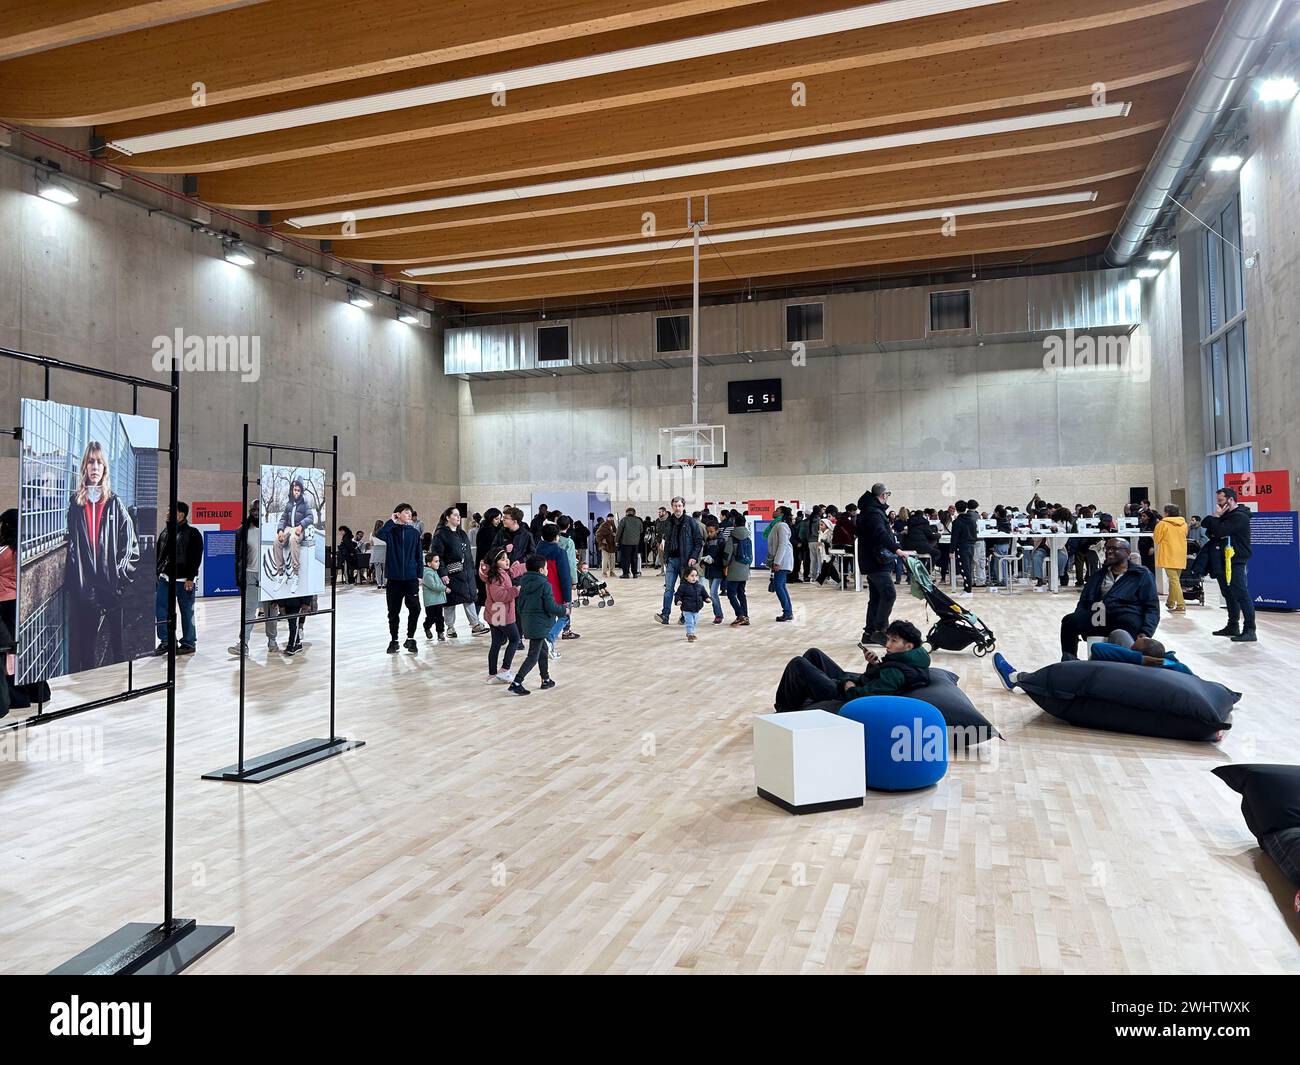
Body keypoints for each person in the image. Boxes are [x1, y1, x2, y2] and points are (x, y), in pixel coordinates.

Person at [64, 439, 141, 672]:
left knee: (118, 646)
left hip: (112, 586)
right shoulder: (75, 504)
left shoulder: (115, 503)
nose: (95, 467)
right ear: (84, 467)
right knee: (87, 648)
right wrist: (78, 583)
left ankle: (118, 686)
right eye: (90, 462)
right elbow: (73, 548)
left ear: (104, 467)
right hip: (86, 588)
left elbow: (130, 546)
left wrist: (118, 576)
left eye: (99, 462)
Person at [773, 621, 931, 712]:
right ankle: (801, 701)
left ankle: (785, 710)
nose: (887, 644)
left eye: (893, 641)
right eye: (888, 639)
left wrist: (849, 687)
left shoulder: (897, 673)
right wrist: (874, 665)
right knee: (813, 654)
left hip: (844, 696)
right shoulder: (909, 660)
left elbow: (866, 698)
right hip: (857, 684)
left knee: (798, 664)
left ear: (909, 646)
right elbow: (881, 679)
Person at [1059, 538, 1159, 660]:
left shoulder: (1141, 574)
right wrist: (1081, 616)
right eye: (1107, 549)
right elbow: (1084, 600)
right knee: (1069, 621)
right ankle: (1069, 659)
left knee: (1126, 625)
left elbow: (1152, 606)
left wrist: (1146, 631)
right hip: (1100, 616)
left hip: (1127, 616)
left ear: (1127, 553)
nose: (1109, 552)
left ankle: (1126, 663)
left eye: (1114, 549)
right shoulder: (1099, 574)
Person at [994, 634, 1194, 692]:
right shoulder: (1175, 665)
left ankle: (1017, 679)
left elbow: (1099, 649)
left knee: (1065, 666)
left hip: (1103, 681)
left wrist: (1136, 657)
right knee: (1070, 659)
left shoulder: (1133, 667)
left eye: (1133, 646)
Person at [856, 483, 911, 646]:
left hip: (872, 560)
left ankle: (870, 633)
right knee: (888, 594)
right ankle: (880, 631)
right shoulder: (874, 513)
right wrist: (897, 549)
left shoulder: (870, 511)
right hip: (876, 560)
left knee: (877, 598)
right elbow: (880, 534)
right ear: (883, 496)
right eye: (887, 494)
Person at [1202, 486, 1256, 642]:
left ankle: (1250, 629)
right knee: (1228, 594)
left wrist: (1217, 523)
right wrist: (1217, 517)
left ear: (1230, 500)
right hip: (1222, 560)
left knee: (1241, 594)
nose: (1218, 505)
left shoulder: (1240, 516)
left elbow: (1217, 532)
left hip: (1236, 560)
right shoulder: (1225, 516)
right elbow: (1208, 529)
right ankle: (1233, 625)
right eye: (1217, 501)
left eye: (1221, 501)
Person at [229, 500, 280, 657]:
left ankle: (272, 641)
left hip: (269, 574)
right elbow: (238, 556)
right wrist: (239, 577)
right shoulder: (242, 531)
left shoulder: (273, 530)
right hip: (250, 574)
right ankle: (243, 643)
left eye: (258, 509)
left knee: (271, 611)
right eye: (253, 509)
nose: (255, 512)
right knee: (249, 610)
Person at [509, 554, 565, 696]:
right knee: (533, 656)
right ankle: (517, 682)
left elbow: (519, 605)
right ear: (541, 570)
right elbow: (550, 606)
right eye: (546, 568)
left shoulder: (524, 583)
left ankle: (545, 679)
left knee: (543, 650)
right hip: (539, 625)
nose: (547, 571)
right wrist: (564, 610)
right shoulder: (545, 585)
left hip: (529, 622)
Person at [153, 501, 202, 656]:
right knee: (160, 611)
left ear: (181, 514)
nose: (167, 513)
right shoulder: (165, 532)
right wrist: (157, 573)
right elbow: (159, 554)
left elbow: (196, 557)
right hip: (164, 579)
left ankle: (188, 642)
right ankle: (167, 642)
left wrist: (190, 577)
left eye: (171, 511)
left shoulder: (193, 533)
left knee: (187, 612)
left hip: (183, 581)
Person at [431, 506, 487, 638]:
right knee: (450, 601)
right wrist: (443, 573)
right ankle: (450, 628)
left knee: (469, 598)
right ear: (447, 518)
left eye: (458, 515)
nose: (458, 517)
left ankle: (475, 624)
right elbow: (437, 555)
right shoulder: (441, 534)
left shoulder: (462, 533)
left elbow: (467, 554)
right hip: (451, 573)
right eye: (455, 515)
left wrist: (472, 570)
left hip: (466, 573)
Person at [375, 504, 424, 653]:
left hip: (411, 579)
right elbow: (379, 535)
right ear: (398, 514)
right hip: (394, 579)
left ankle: (410, 638)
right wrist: (391, 521)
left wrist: (419, 575)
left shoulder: (414, 533)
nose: (409, 514)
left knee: (415, 608)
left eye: (410, 512)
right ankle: (394, 640)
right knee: (393, 611)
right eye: (406, 512)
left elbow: (418, 555)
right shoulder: (391, 532)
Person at [655, 496, 703, 625]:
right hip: (671, 560)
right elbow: (665, 539)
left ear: (684, 507)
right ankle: (665, 615)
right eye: (675, 506)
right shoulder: (668, 522)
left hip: (685, 561)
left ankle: (684, 615)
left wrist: (693, 557)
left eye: (680, 506)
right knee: (668, 589)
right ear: (672, 507)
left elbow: (698, 542)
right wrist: (665, 556)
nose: (677, 508)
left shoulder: (691, 522)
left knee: (685, 589)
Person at [480, 547, 525, 683]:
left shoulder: (499, 573)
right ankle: (505, 670)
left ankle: (492, 675)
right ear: (495, 562)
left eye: (506, 557)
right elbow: (499, 595)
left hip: (495, 614)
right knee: (515, 639)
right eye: (502, 559)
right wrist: (515, 590)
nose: (506, 560)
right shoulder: (497, 577)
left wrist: (526, 565)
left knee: (496, 643)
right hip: (501, 614)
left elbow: (512, 571)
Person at [268, 477, 313, 594]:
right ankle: (281, 573)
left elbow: (310, 517)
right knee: (276, 542)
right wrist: (280, 531)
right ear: (292, 491)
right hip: (288, 528)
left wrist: (301, 526)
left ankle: (296, 575)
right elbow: (283, 519)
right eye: (294, 490)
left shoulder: (305, 504)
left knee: (293, 540)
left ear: (301, 491)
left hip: (298, 529)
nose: (296, 492)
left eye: (298, 490)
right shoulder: (288, 504)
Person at [536, 523, 573, 658]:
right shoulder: (559, 552)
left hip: (540, 588)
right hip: (555, 591)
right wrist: (567, 598)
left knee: (549, 618)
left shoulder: (537, 550)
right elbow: (565, 576)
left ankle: (548, 649)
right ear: (557, 537)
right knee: (565, 615)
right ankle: (550, 639)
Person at [1152, 504, 1188, 614]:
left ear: (1167, 512)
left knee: (1173, 580)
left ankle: (1181, 604)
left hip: (1168, 554)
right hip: (1181, 554)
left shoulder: (1162, 524)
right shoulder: (1184, 524)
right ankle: (1171, 602)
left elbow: (1157, 539)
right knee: (1175, 580)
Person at [555, 515, 581, 642]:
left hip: (551, 575)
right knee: (566, 602)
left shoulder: (551, 539)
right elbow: (571, 562)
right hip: (564, 576)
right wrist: (574, 580)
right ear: (569, 526)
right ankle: (566, 630)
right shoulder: (568, 542)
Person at [723, 513, 752, 626]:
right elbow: (751, 557)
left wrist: (724, 565)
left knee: (731, 593)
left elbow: (727, 555)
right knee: (741, 593)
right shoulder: (748, 538)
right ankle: (746, 616)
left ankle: (740, 616)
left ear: (735, 524)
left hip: (734, 570)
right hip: (744, 570)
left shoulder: (732, 538)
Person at [766, 505, 795, 622]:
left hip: (782, 561)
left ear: (782, 514)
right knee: (781, 586)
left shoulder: (782, 526)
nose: (774, 511)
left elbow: (782, 544)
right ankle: (788, 611)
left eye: (777, 510)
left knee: (779, 586)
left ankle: (787, 612)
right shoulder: (777, 525)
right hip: (780, 560)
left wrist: (777, 562)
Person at [700, 519, 728, 624]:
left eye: (711, 531)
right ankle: (717, 614)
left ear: (717, 530)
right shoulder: (707, 541)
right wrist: (703, 562)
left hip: (719, 571)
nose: (709, 533)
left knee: (712, 593)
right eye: (708, 531)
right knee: (713, 594)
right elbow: (705, 554)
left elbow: (724, 558)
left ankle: (719, 615)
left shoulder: (722, 541)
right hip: (710, 571)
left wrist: (714, 560)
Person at [474, 507, 504, 609]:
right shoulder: (485, 531)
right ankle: (476, 620)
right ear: (490, 518)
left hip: (490, 564)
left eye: (500, 519)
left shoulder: (496, 530)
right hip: (486, 565)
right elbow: (486, 549)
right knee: (484, 594)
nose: (498, 521)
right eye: (496, 519)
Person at [950, 499, 978, 597]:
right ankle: (967, 589)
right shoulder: (972, 520)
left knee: (964, 568)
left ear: (957, 509)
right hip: (971, 546)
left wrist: (951, 550)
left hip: (962, 547)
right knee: (968, 567)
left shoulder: (957, 522)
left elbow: (954, 537)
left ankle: (968, 590)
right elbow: (975, 534)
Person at [675, 567, 708, 642]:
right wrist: (678, 600)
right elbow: (678, 595)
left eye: (696, 576)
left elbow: (704, 594)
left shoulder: (700, 587)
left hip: (696, 609)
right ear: (686, 577)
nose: (694, 577)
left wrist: (707, 598)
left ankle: (690, 632)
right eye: (692, 575)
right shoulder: (683, 587)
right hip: (687, 609)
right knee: (690, 622)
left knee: (695, 621)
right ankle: (690, 634)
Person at [421, 551, 447, 641]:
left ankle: (440, 632)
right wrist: (444, 588)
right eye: (436, 561)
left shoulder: (434, 572)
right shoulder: (427, 573)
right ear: (428, 564)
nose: (438, 563)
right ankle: (426, 626)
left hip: (438, 600)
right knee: (431, 617)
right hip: (431, 601)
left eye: (438, 561)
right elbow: (433, 586)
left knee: (440, 617)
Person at [615, 507, 643, 579]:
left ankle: (626, 573)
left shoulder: (624, 520)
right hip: (636, 543)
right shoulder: (638, 520)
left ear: (627, 512)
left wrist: (616, 540)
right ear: (634, 513)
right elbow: (641, 530)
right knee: (634, 558)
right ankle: (635, 573)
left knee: (625, 559)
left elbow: (619, 532)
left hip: (625, 543)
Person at [369, 518, 388, 589]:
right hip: (384, 550)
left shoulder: (372, 534)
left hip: (376, 550)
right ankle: (384, 583)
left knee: (377, 569)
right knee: (384, 569)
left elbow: (371, 544)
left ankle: (379, 584)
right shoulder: (385, 533)